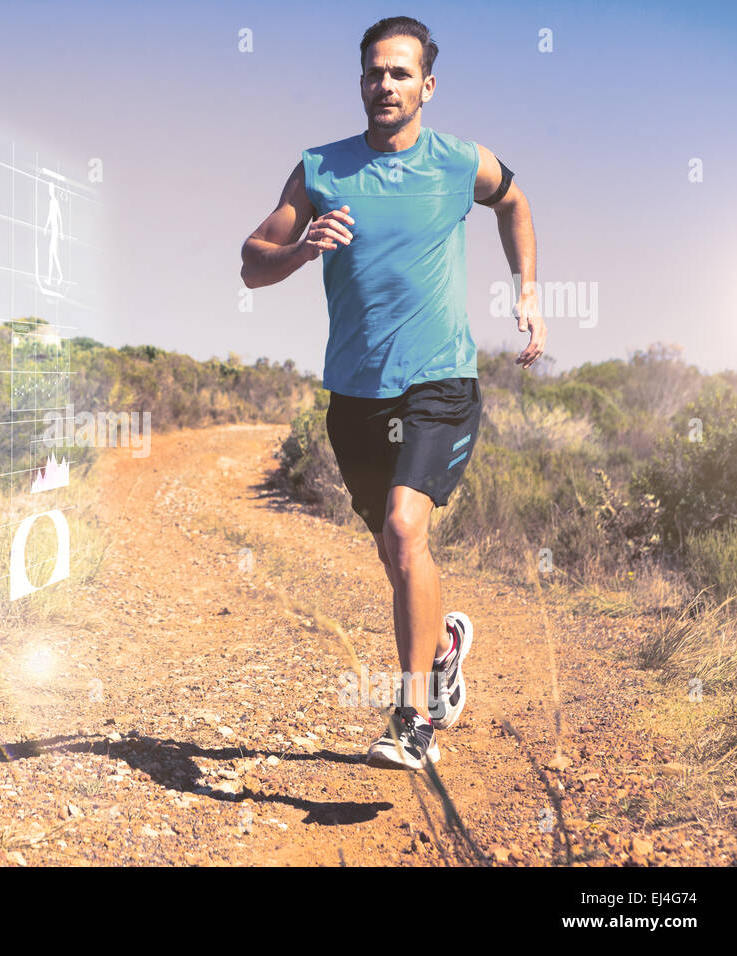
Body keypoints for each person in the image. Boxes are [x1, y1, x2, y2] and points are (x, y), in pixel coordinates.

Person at [239, 16, 545, 769]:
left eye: (400, 73)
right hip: (355, 396)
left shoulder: (458, 162)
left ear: (427, 86)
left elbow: (513, 200)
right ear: (362, 81)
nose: (385, 84)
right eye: (375, 72)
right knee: (394, 550)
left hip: (439, 382)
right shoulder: (320, 169)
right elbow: (251, 261)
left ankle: (410, 720)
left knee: (408, 532)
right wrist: (299, 247)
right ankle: (441, 648)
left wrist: (526, 291)